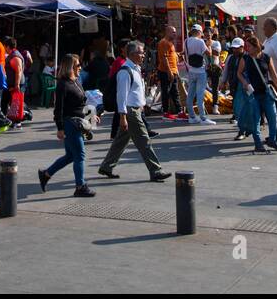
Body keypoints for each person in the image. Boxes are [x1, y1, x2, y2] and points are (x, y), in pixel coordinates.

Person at [98, 41, 170, 182]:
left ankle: (106, 166)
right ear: (132, 54)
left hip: (135, 110)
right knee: (144, 141)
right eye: (141, 52)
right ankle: (156, 170)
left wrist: (142, 105)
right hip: (130, 112)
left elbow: (136, 92)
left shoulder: (136, 68)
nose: (143, 55)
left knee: (120, 141)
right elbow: (121, 96)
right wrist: (123, 117)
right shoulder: (125, 72)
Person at [39, 54, 97, 196]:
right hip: (70, 123)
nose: (80, 68)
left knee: (71, 155)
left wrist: (91, 116)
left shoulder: (76, 81)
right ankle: (80, 186)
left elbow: (81, 103)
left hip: (79, 123)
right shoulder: (63, 84)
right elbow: (58, 108)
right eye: (77, 65)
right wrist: (59, 128)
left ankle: (46, 174)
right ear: (70, 67)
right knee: (80, 155)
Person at [234, 37, 277, 154]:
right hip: (253, 93)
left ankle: (272, 139)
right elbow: (239, 73)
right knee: (256, 118)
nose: (247, 48)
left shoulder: (266, 58)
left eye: (249, 46)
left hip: (266, 92)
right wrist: (245, 82)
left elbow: (273, 75)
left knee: (273, 116)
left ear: (256, 47)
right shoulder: (245, 58)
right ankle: (258, 143)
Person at [183, 24, 213, 124]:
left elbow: (185, 53)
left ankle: (192, 117)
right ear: (200, 32)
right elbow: (209, 54)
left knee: (190, 95)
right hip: (200, 71)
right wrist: (208, 45)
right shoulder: (200, 42)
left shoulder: (186, 41)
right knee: (200, 95)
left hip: (191, 71)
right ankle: (203, 118)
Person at [156, 27, 181, 117]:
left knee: (174, 92)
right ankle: (166, 112)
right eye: (173, 32)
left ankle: (179, 112)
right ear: (167, 32)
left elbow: (170, 56)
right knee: (166, 92)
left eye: (175, 32)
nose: (175, 34)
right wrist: (169, 72)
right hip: (166, 71)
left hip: (172, 71)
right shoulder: (164, 42)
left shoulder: (170, 43)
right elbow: (164, 58)